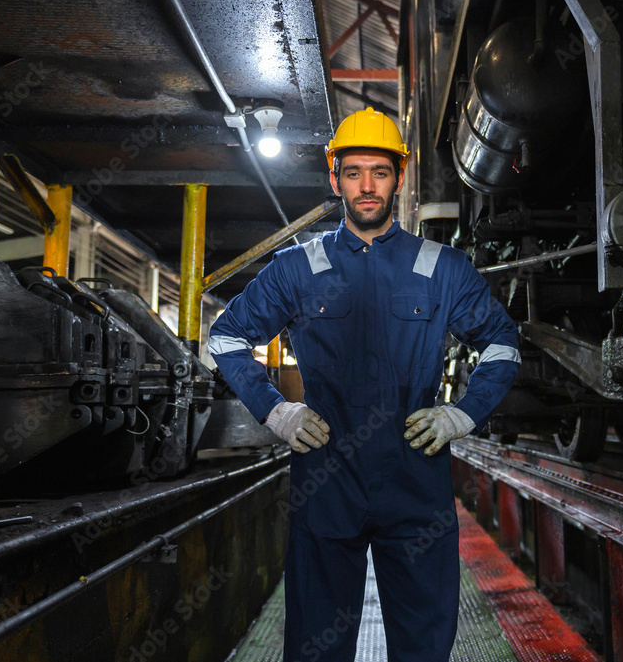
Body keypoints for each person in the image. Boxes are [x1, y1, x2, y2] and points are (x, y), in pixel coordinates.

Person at [209, 107, 519, 662]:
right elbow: (226, 336)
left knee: (423, 646)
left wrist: (462, 414)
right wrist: (278, 412)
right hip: (327, 477)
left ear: (398, 177)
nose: (367, 185)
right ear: (335, 178)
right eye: (354, 172)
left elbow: (503, 344)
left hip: (415, 481)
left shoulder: (442, 267)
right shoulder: (297, 267)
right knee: (315, 647)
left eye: (379, 171)